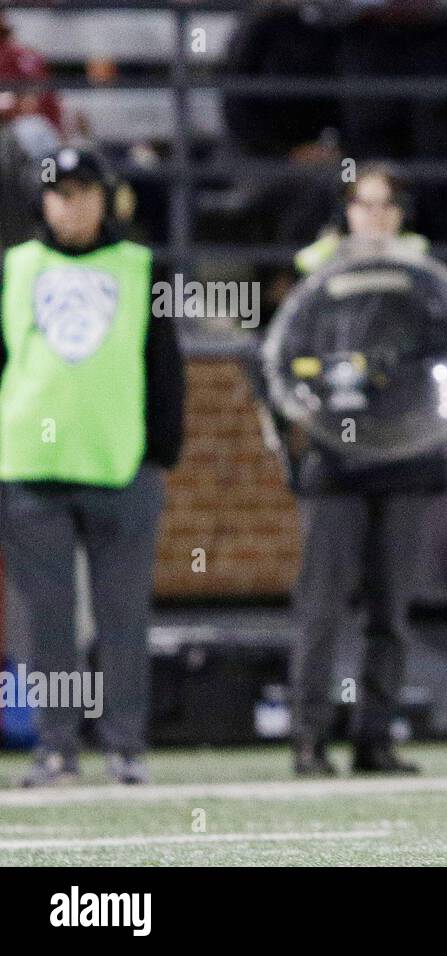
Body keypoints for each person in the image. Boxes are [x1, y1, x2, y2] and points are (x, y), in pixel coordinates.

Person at [0, 147, 185, 786]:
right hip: (30, 467)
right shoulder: (14, 267)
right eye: (59, 193)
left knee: (123, 616)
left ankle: (124, 746)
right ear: (42, 201)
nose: (70, 205)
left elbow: (165, 367)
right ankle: (55, 746)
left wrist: (160, 455)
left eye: (83, 192)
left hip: (119, 465)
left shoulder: (142, 267)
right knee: (45, 619)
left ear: (105, 199)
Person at [262, 164, 442, 777]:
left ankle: (374, 740)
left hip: (406, 458)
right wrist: (305, 431)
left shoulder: (425, 281)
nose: (376, 217)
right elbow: (279, 362)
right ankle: (308, 741)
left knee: (391, 612)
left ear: (401, 214)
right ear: (346, 212)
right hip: (335, 464)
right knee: (321, 608)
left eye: (386, 205)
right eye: (364, 204)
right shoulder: (314, 279)